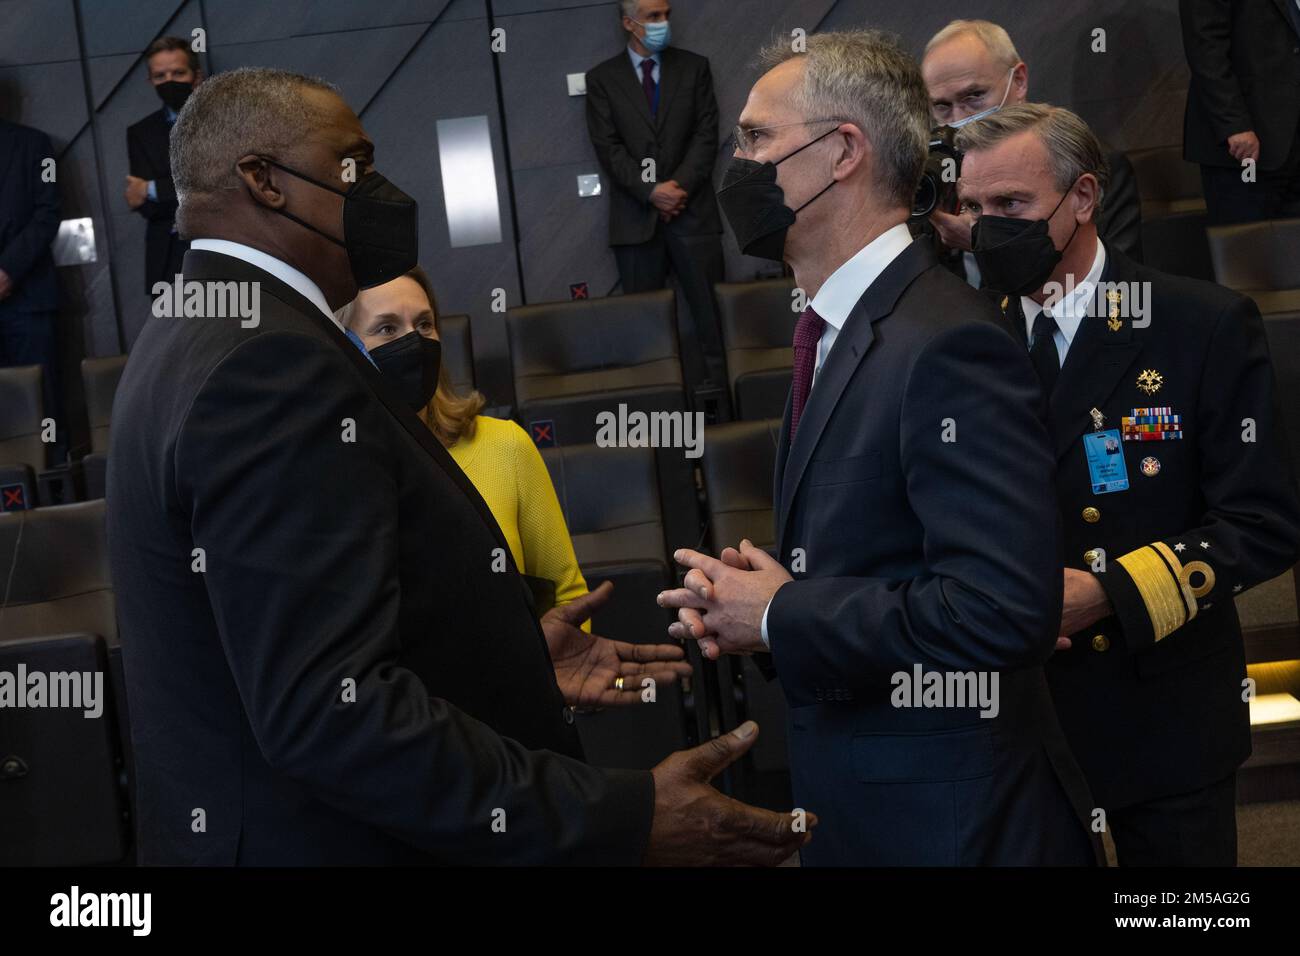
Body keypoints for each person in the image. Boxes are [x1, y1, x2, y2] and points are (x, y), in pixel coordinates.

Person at [107, 66, 813, 865]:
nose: (379, 190)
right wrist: (622, 816)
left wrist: (501, 667)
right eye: (355, 164)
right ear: (264, 181)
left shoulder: (186, 332)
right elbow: (331, 713)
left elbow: (281, 637)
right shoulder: (269, 362)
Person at [657, 31, 1099, 866]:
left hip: (957, 825)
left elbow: (1003, 610)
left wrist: (784, 612)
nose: (738, 165)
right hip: (875, 806)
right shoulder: (834, 327)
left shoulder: (945, 343)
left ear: (843, 153)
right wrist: (760, 604)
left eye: (756, 139)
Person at [955, 103, 1300, 864]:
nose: (988, 228)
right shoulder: (964, 339)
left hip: (1163, 704)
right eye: (973, 208)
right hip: (1022, 713)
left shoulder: (1198, 324)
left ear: (1083, 198)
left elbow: (1263, 523)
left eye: (1011, 205)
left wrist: (1111, 590)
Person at [338, 267, 592, 632]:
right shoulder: (333, 469)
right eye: (387, 329)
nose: (414, 341)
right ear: (347, 346)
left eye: (424, 325)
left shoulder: (505, 446)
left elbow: (567, 597)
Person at [920, 19, 1142, 278]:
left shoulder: (1088, 165)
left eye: (974, 96)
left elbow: (1112, 288)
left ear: (1019, 81)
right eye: (943, 106)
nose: (960, 118)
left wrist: (986, 243)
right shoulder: (930, 177)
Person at [585, 0, 727, 397]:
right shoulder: (602, 79)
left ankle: (725, 414)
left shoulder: (695, 68)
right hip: (635, 222)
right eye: (653, 17)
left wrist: (677, 188)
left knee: (715, 324)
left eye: (666, 14)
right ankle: (661, 423)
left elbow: (705, 135)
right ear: (630, 23)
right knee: (646, 335)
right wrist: (651, 192)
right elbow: (608, 147)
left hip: (693, 215)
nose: (663, 23)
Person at [1181, 0, 1300, 224]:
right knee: (1247, 252)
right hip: (1244, 145)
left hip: (1293, 140)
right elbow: (1204, 46)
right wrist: (1233, 124)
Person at [0, 116, 62, 462]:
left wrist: (8, 270)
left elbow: (48, 212)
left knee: (45, 404)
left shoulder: (37, 145)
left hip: (30, 298)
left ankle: (54, 493)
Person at [125, 36, 200, 292]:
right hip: (166, 265)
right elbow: (145, 208)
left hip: (225, 256)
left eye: (178, 72)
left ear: (196, 76)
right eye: (160, 76)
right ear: (151, 81)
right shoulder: (140, 132)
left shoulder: (223, 121)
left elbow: (219, 188)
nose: (169, 81)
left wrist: (150, 188)